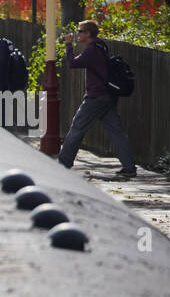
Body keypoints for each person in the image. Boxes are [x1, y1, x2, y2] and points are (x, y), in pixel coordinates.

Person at [57, 19, 137, 179]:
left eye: (80, 31)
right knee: (117, 132)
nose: (77, 34)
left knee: (77, 127)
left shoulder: (92, 49)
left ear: (88, 34)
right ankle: (129, 167)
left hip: (96, 97)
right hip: (108, 96)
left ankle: (63, 163)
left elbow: (72, 63)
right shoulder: (101, 45)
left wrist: (68, 45)